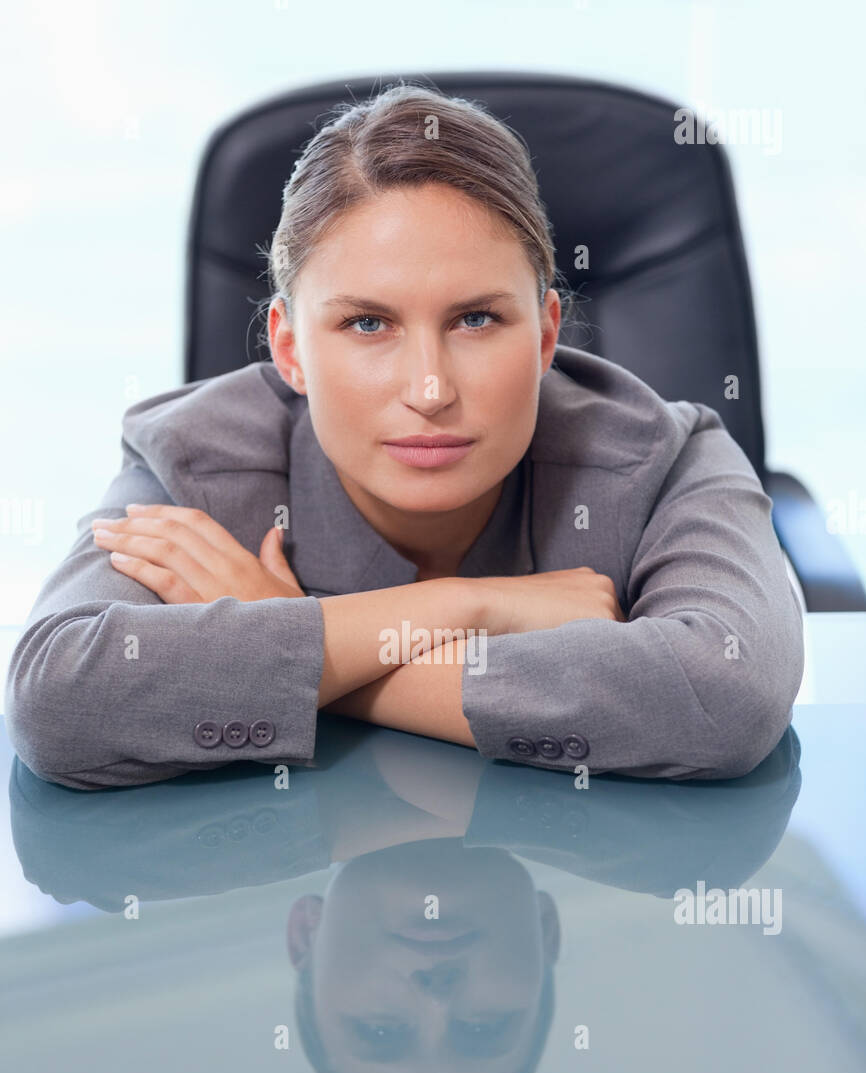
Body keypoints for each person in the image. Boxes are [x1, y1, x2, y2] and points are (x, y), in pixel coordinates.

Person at [4, 82, 804, 791]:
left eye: (478, 318)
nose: (430, 389)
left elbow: (728, 694)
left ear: (546, 334)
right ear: (289, 348)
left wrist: (291, 632)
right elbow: (60, 703)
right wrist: (466, 606)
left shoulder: (667, 457)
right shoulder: (192, 458)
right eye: (367, 323)